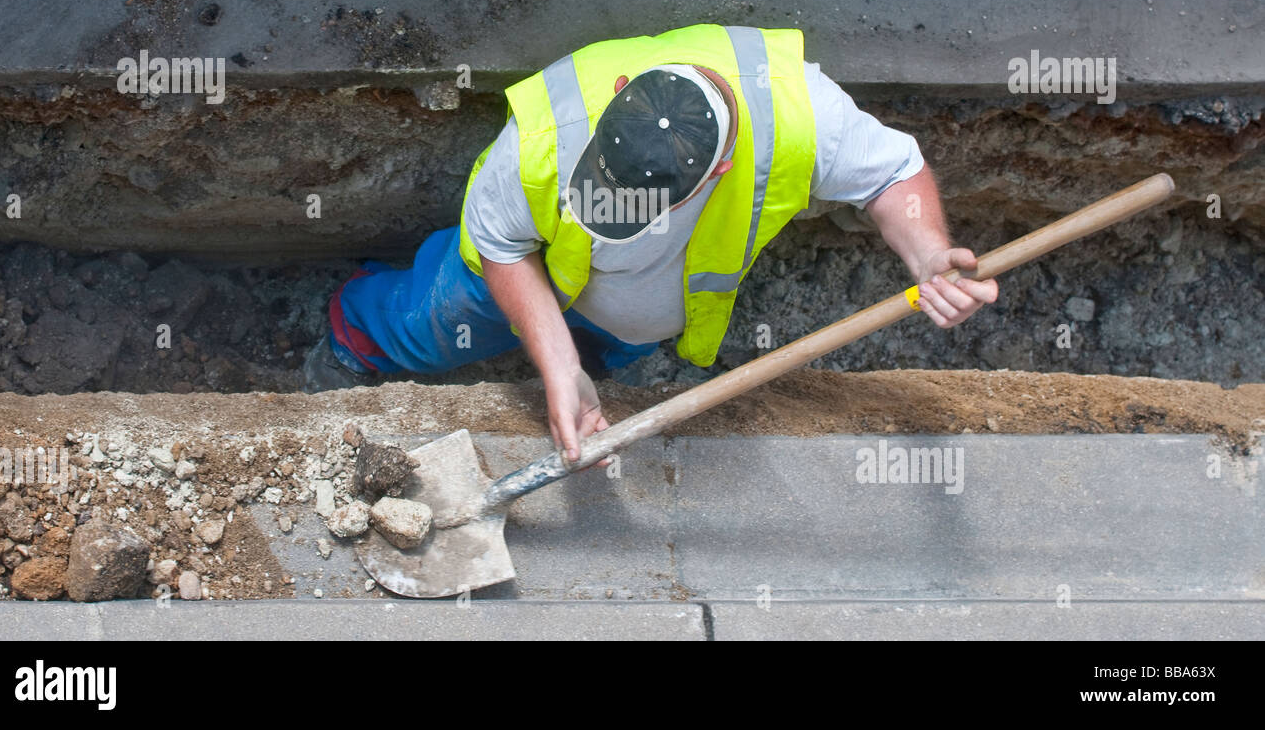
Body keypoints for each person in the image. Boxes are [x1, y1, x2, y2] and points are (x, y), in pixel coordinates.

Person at [303, 24, 998, 463]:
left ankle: (613, 356)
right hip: (519, 276)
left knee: (626, 344)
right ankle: (351, 335)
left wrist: (930, 257)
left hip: (646, 319)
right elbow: (502, 246)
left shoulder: (801, 116)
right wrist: (557, 364)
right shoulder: (545, 135)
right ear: (619, 102)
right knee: (428, 325)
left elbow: (895, 174)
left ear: (715, 171)